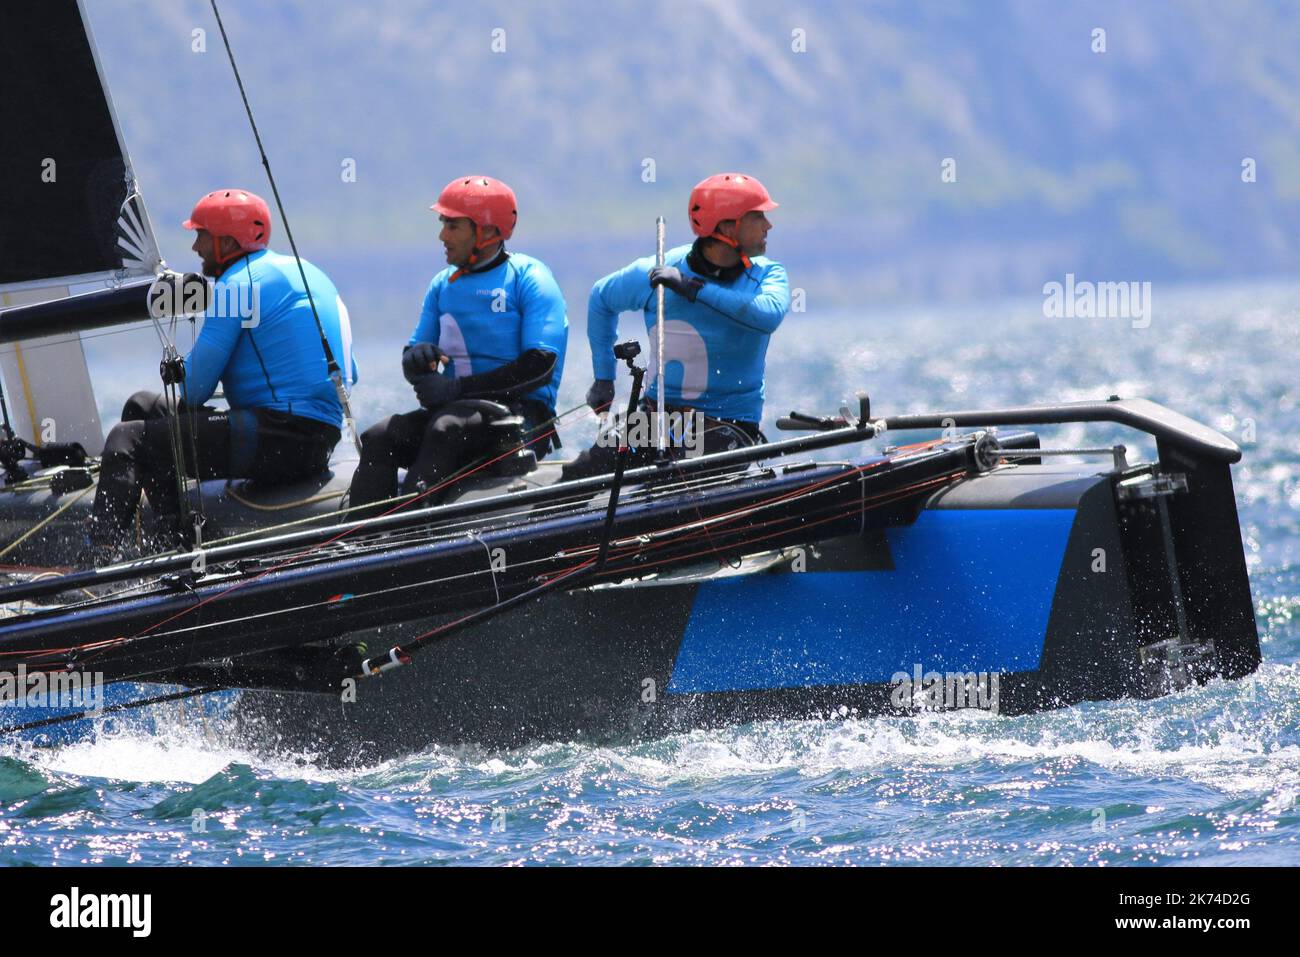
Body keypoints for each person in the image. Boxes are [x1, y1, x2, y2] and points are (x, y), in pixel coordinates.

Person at [86, 188, 356, 555]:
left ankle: (99, 563)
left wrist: (181, 369)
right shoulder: (309, 272)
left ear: (227, 241)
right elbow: (349, 372)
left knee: (127, 440)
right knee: (143, 407)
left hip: (281, 441)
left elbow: (195, 390)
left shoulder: (237, 284)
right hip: (317, 438)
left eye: (202, 236)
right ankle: (172, 542)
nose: (196, 248)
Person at [347, 175, 567, 514]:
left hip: (519, 422)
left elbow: (540, 365)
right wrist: (416, 361)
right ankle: (357, 542)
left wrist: (456, 390)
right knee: (379, 436)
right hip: (454, 414)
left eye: (453, 226)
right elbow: (413, 354)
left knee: (446, 426)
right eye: (442, 224)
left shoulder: (530, 277)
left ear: (488, 231)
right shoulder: (442, 285)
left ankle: (403, 536)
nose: (442, 236)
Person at [561, 172, 790, 481]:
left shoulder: (767, 274)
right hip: (657, 421)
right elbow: (601, 298)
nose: (768, 225)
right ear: (727, 226)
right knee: (582, 474)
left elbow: (767, 316)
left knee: (672, 482)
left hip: (728, 425)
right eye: (757, 216)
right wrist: (604, 378)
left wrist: (693, 289)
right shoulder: (657, 269)